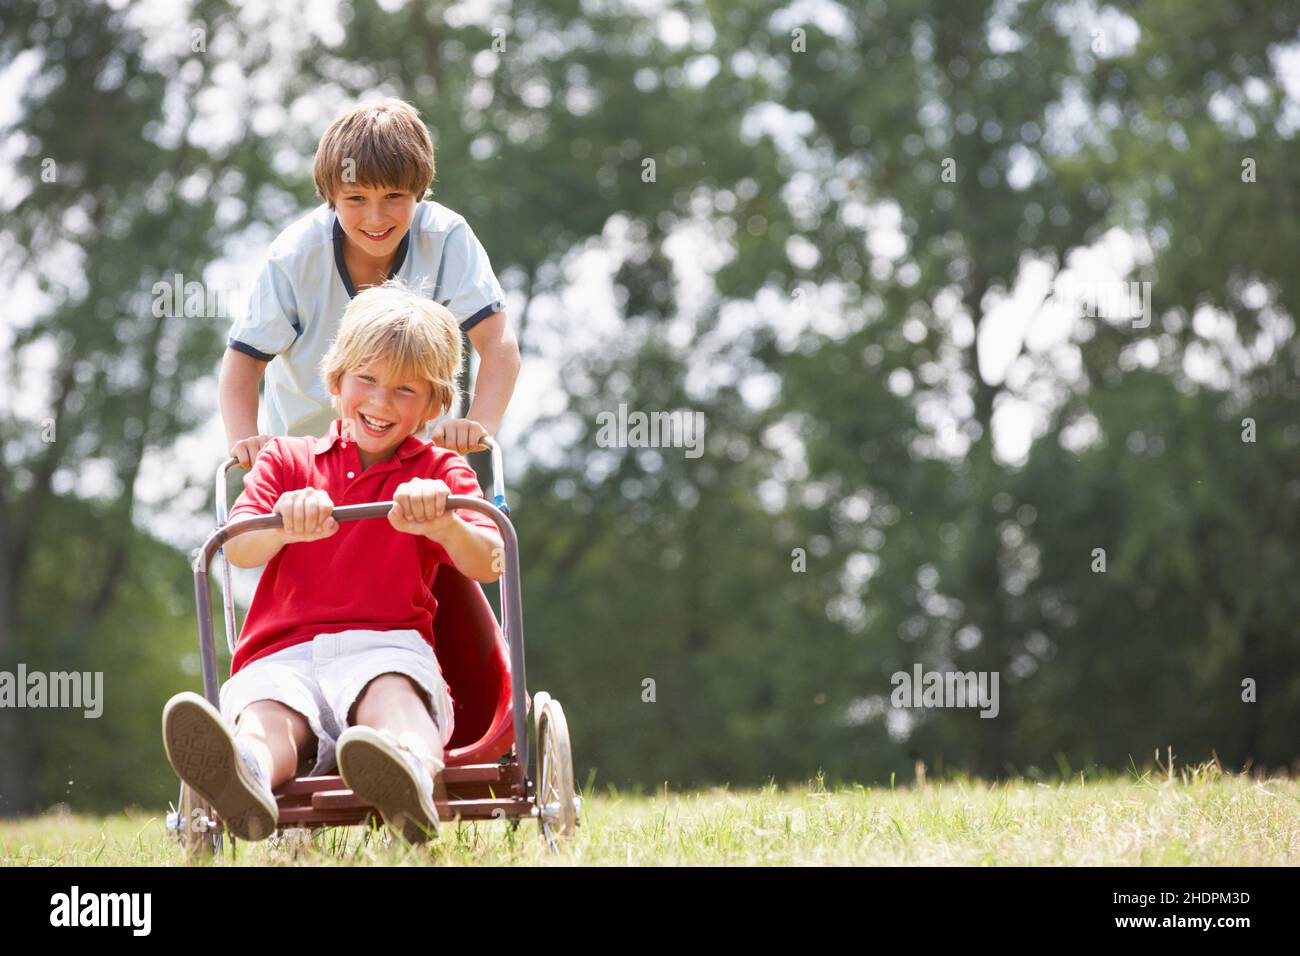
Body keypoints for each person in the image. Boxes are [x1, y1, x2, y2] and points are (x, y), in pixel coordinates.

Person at [163, 280, 504, 844]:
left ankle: (410, 771)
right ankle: (246, 775)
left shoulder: (439, 471)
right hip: (284, 651)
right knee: (268, 712)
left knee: (391, 694)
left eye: (404, 390)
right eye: (366, 380)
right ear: (336, 381)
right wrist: (280, 523)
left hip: (386, 642)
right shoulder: (287, 459)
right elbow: (239, 551)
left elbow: (490, 560)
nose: (380, 401)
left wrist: (443, 523)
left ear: (434, 405)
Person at [220, 96, 520, 468]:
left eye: (394, 196)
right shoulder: (297, 256)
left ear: (420, 191)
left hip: (414, 469)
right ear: (331, 195)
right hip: (309, 469)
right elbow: (244, 363)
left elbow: (498, 344)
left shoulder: (446, 239)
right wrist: (245, 442)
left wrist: (479, 423)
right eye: (356, 198)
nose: (376, 218)